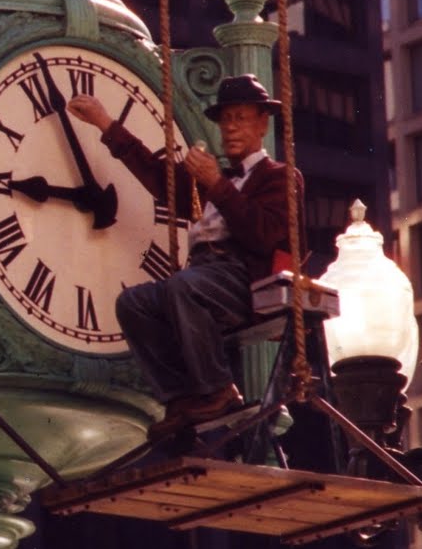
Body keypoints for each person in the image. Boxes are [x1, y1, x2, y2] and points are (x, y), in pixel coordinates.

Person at [66, 74, 303, 439]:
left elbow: (264, 234)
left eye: (240, 118)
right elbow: (157, 178)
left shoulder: (279, 177)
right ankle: (182, 397)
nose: (231, 128)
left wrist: (218, 186)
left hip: (243, 278)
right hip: (205, 275)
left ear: (262, 123)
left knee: (184, 287)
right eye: (226, 120)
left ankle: (219, 389)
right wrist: (105, 123)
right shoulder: (210, 180)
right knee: (135, 302)